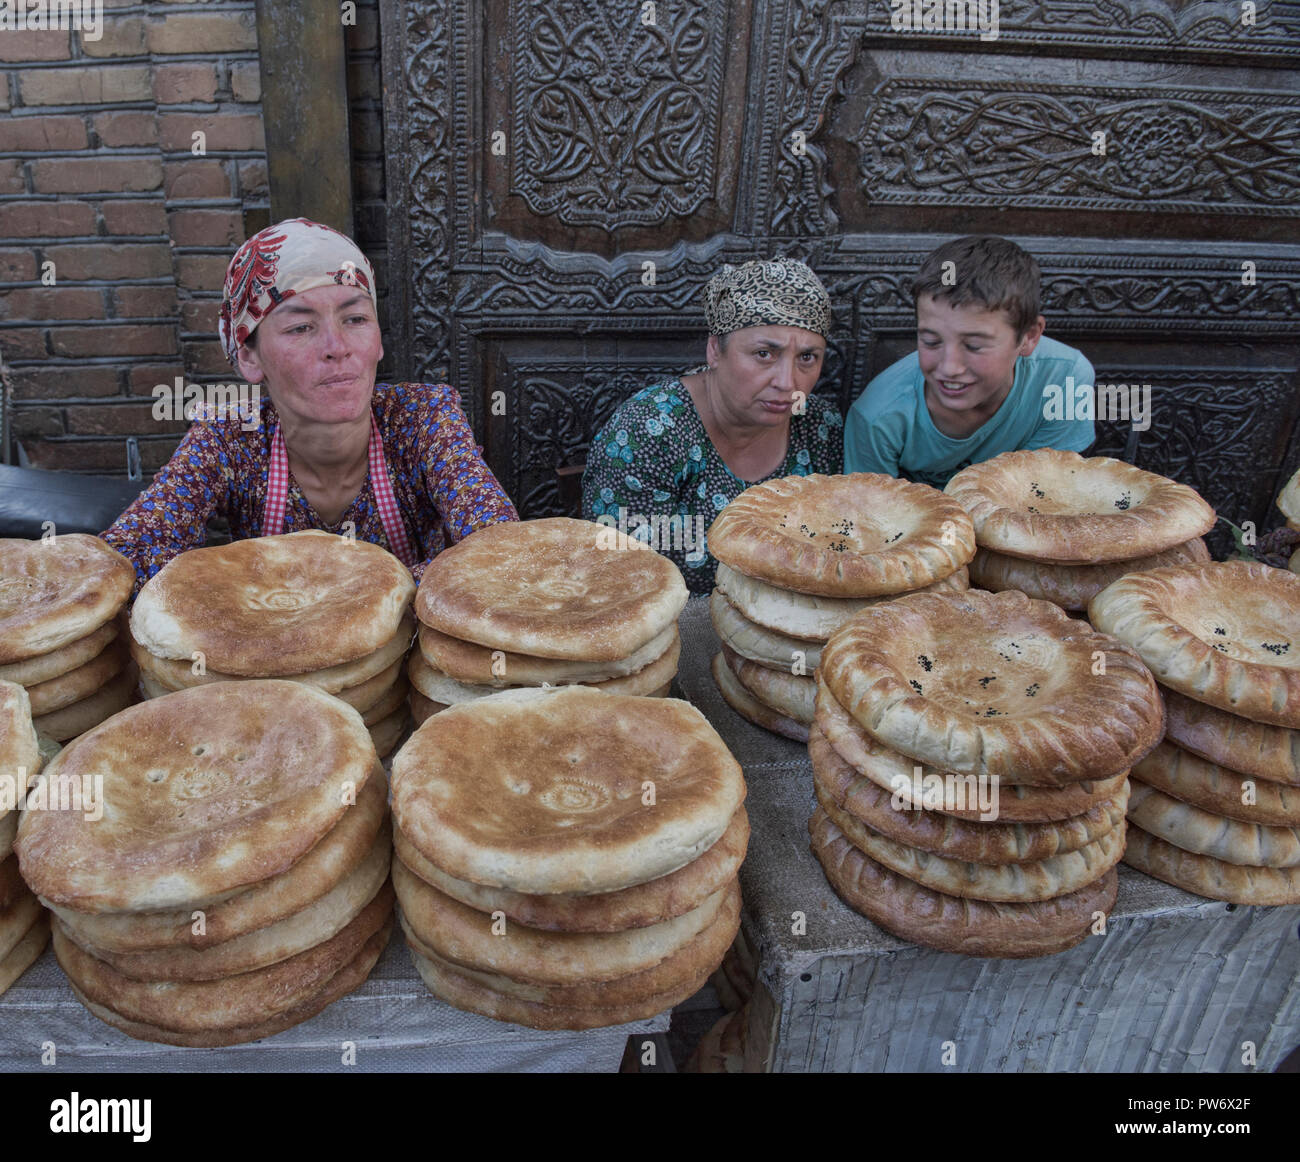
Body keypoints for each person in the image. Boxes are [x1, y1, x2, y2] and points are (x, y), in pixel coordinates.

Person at [102, 217, 518, 594]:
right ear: (249, 357)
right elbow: (124, 559)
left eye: (355, 319)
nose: (337, 348)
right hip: (277, 660)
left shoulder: (423, 419)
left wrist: (311, 596)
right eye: (301, 327)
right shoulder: (230, 437)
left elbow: (496, 547)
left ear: (377, 342)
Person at [582, 257, 844, 595]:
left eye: (807, 358)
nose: (787, 382)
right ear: (714, 351)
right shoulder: (647, 433)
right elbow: (618, 567)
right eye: (764, 353)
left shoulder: (821, 428)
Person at [844, 235, 1095, 489]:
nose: (950, 367)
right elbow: (873, 513)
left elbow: (1046, 490)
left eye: (974, 346)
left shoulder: (1066, 380)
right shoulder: (876, 418)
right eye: (931, 341)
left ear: (1029, 337)